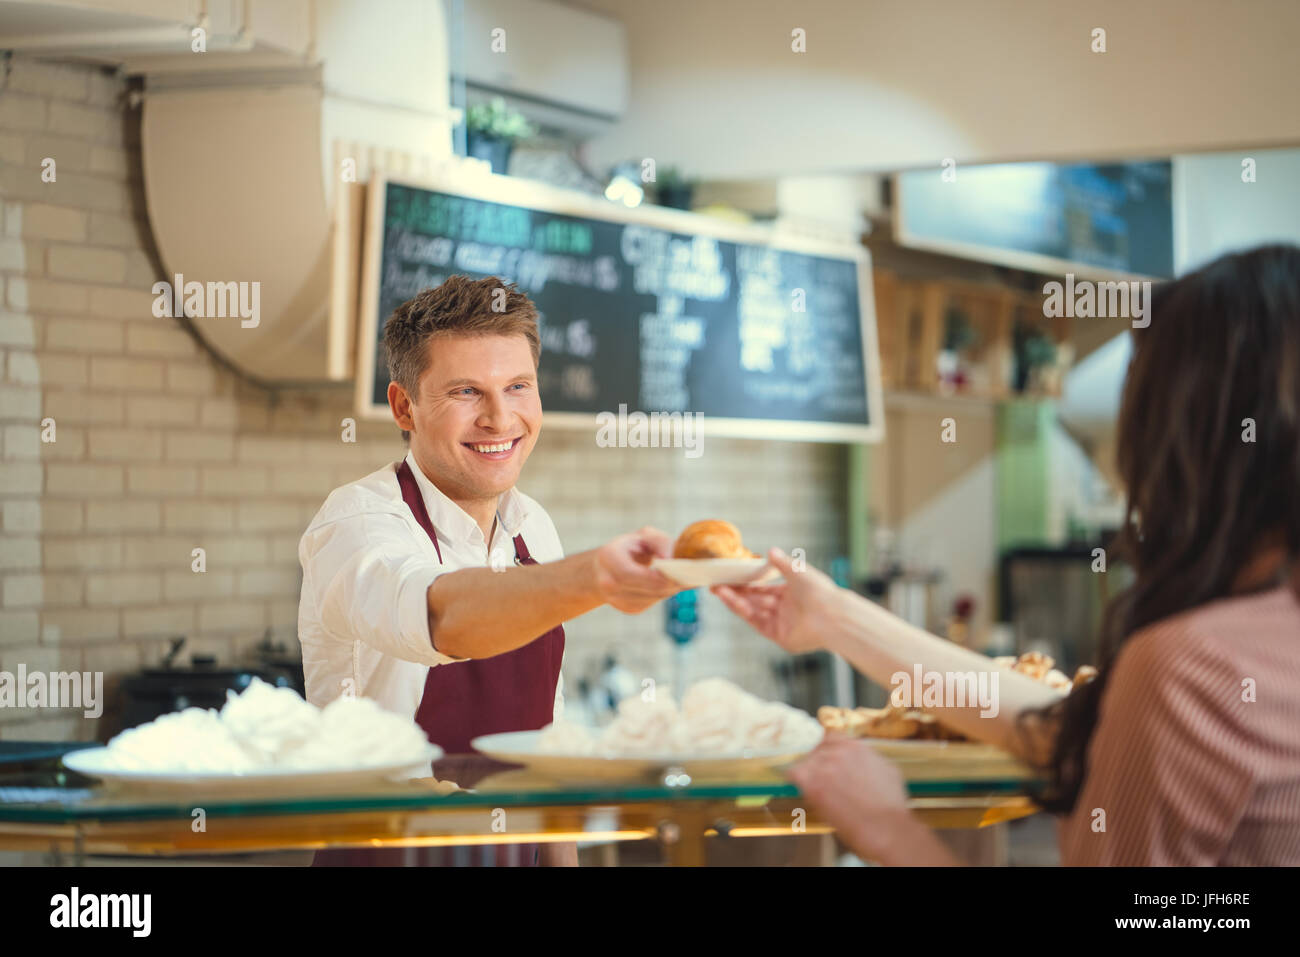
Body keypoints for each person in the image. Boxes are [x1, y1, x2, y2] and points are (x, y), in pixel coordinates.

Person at [716, 244, 1300, 866]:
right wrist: (834, 618)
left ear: (1180, 438)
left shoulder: (1191, 668)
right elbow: (1069, 731)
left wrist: (887, 830)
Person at [298, 275, 680, 866]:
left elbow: (541, 750)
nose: (500, 419)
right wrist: (590, 580)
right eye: (466, 393)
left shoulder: (534, 527)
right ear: (405, 406)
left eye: (518, 386)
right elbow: (441, 615)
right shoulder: (359, 520)